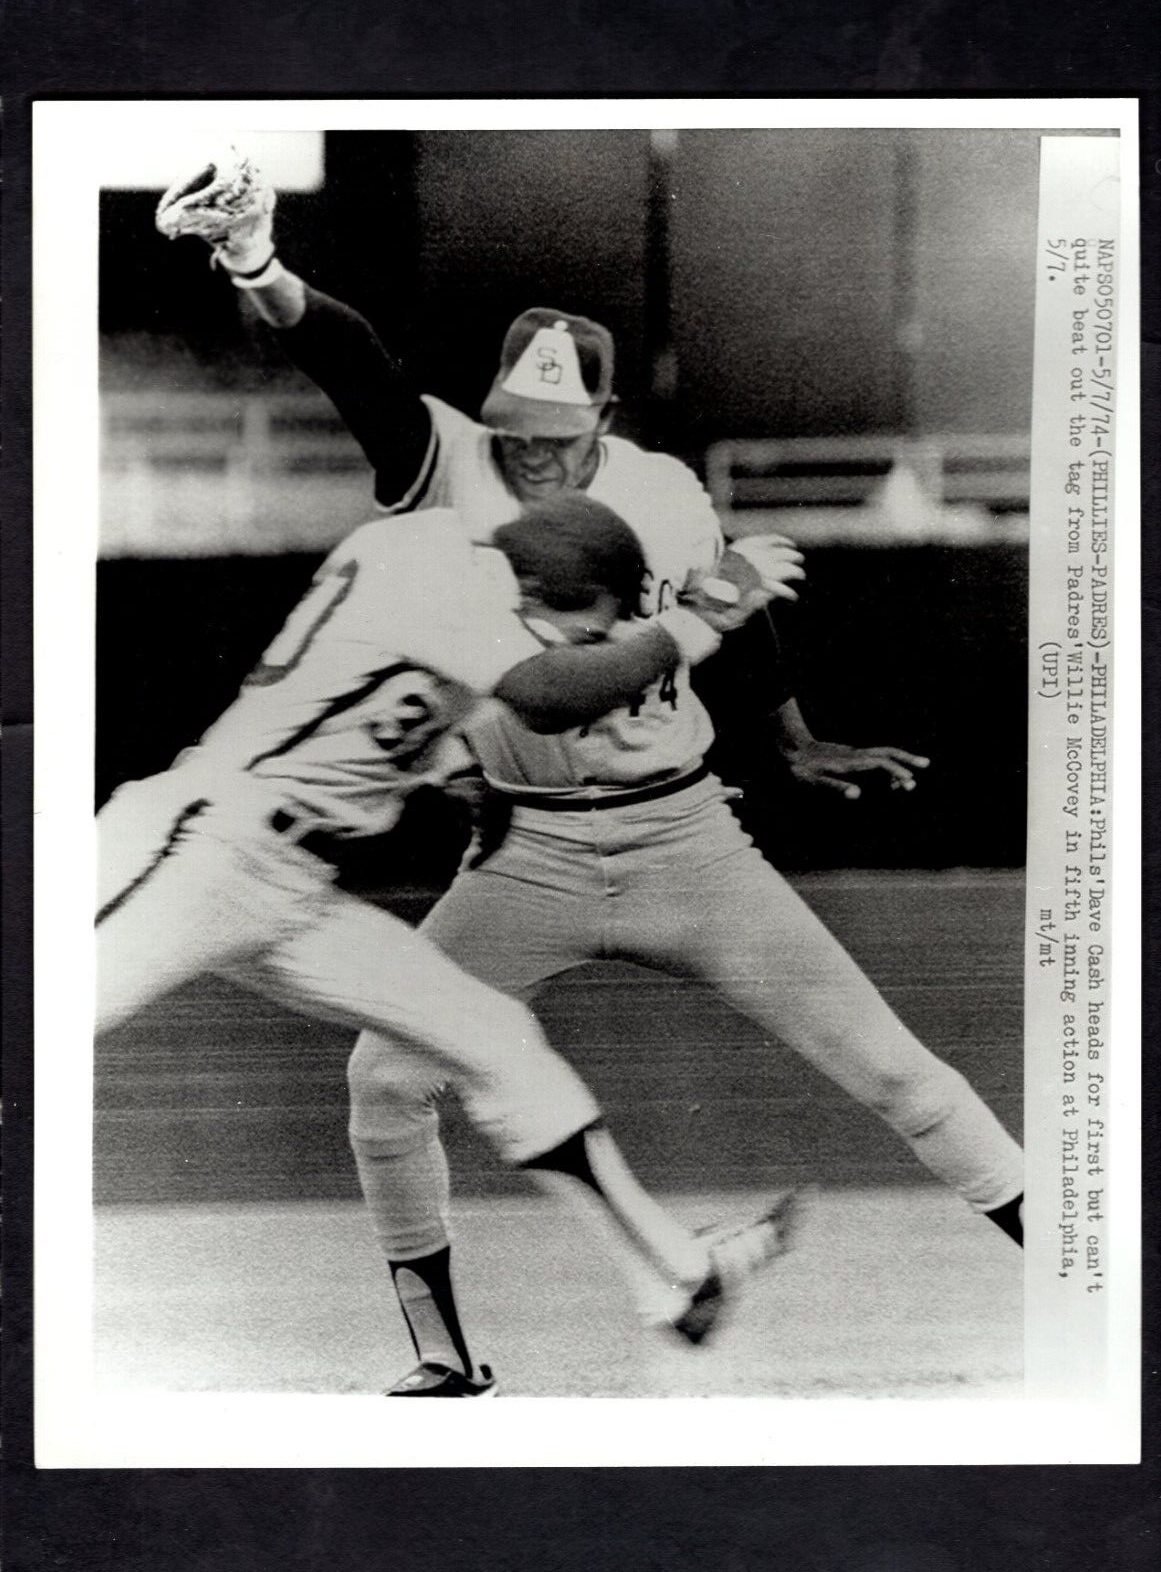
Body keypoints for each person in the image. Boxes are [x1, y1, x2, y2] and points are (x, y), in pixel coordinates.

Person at [154, 154, 1025, 1400]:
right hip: (526, 857)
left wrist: (790, 737)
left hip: (688, 843)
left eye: (561, 437)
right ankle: (444, 1354)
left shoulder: (665, 493)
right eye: (517, 429)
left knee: (895, 1069)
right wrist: (258, 263)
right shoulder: (447, 459)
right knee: (385, 1080)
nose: (534, 456)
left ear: (606, 419)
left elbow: (738, 616)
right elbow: (354, 366)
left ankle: (1095, 1279)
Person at [98, 493, 806, 1396]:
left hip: (287, 885)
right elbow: (549, 696)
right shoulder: (442, 564)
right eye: (585, 628)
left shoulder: (470, 590)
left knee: (497, 1042)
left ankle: (676, 1279)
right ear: (538, 586)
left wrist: (460, 774)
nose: (587, 651)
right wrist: (706, 611)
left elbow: (430, 703)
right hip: (197, 843)